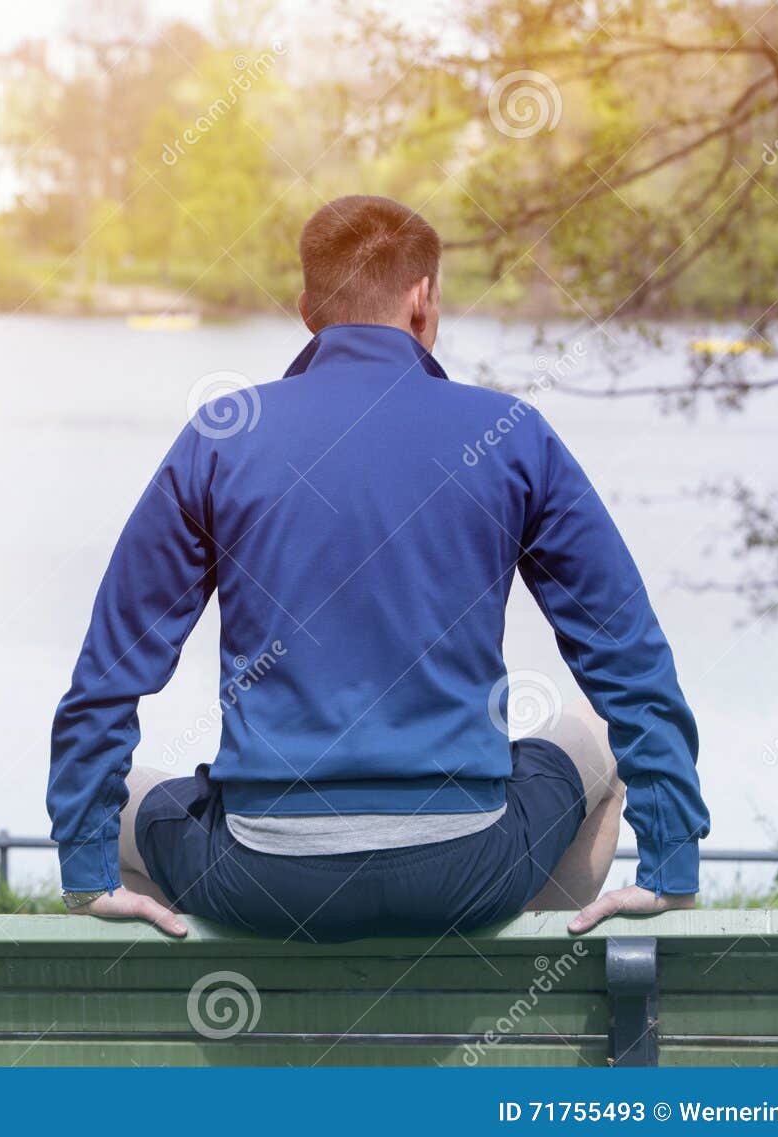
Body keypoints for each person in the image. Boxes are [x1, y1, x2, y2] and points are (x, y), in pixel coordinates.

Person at [46, 194, 709, 941]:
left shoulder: (220, 438)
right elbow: (627, 654)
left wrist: (85, 868)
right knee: (594, 723)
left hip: (266, 876)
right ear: (424, 298)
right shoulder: (513, 435)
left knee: (128, 796)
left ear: (306, 308)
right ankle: (519, 995)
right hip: (470, 868)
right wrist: (671, 864)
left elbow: (110, 671)